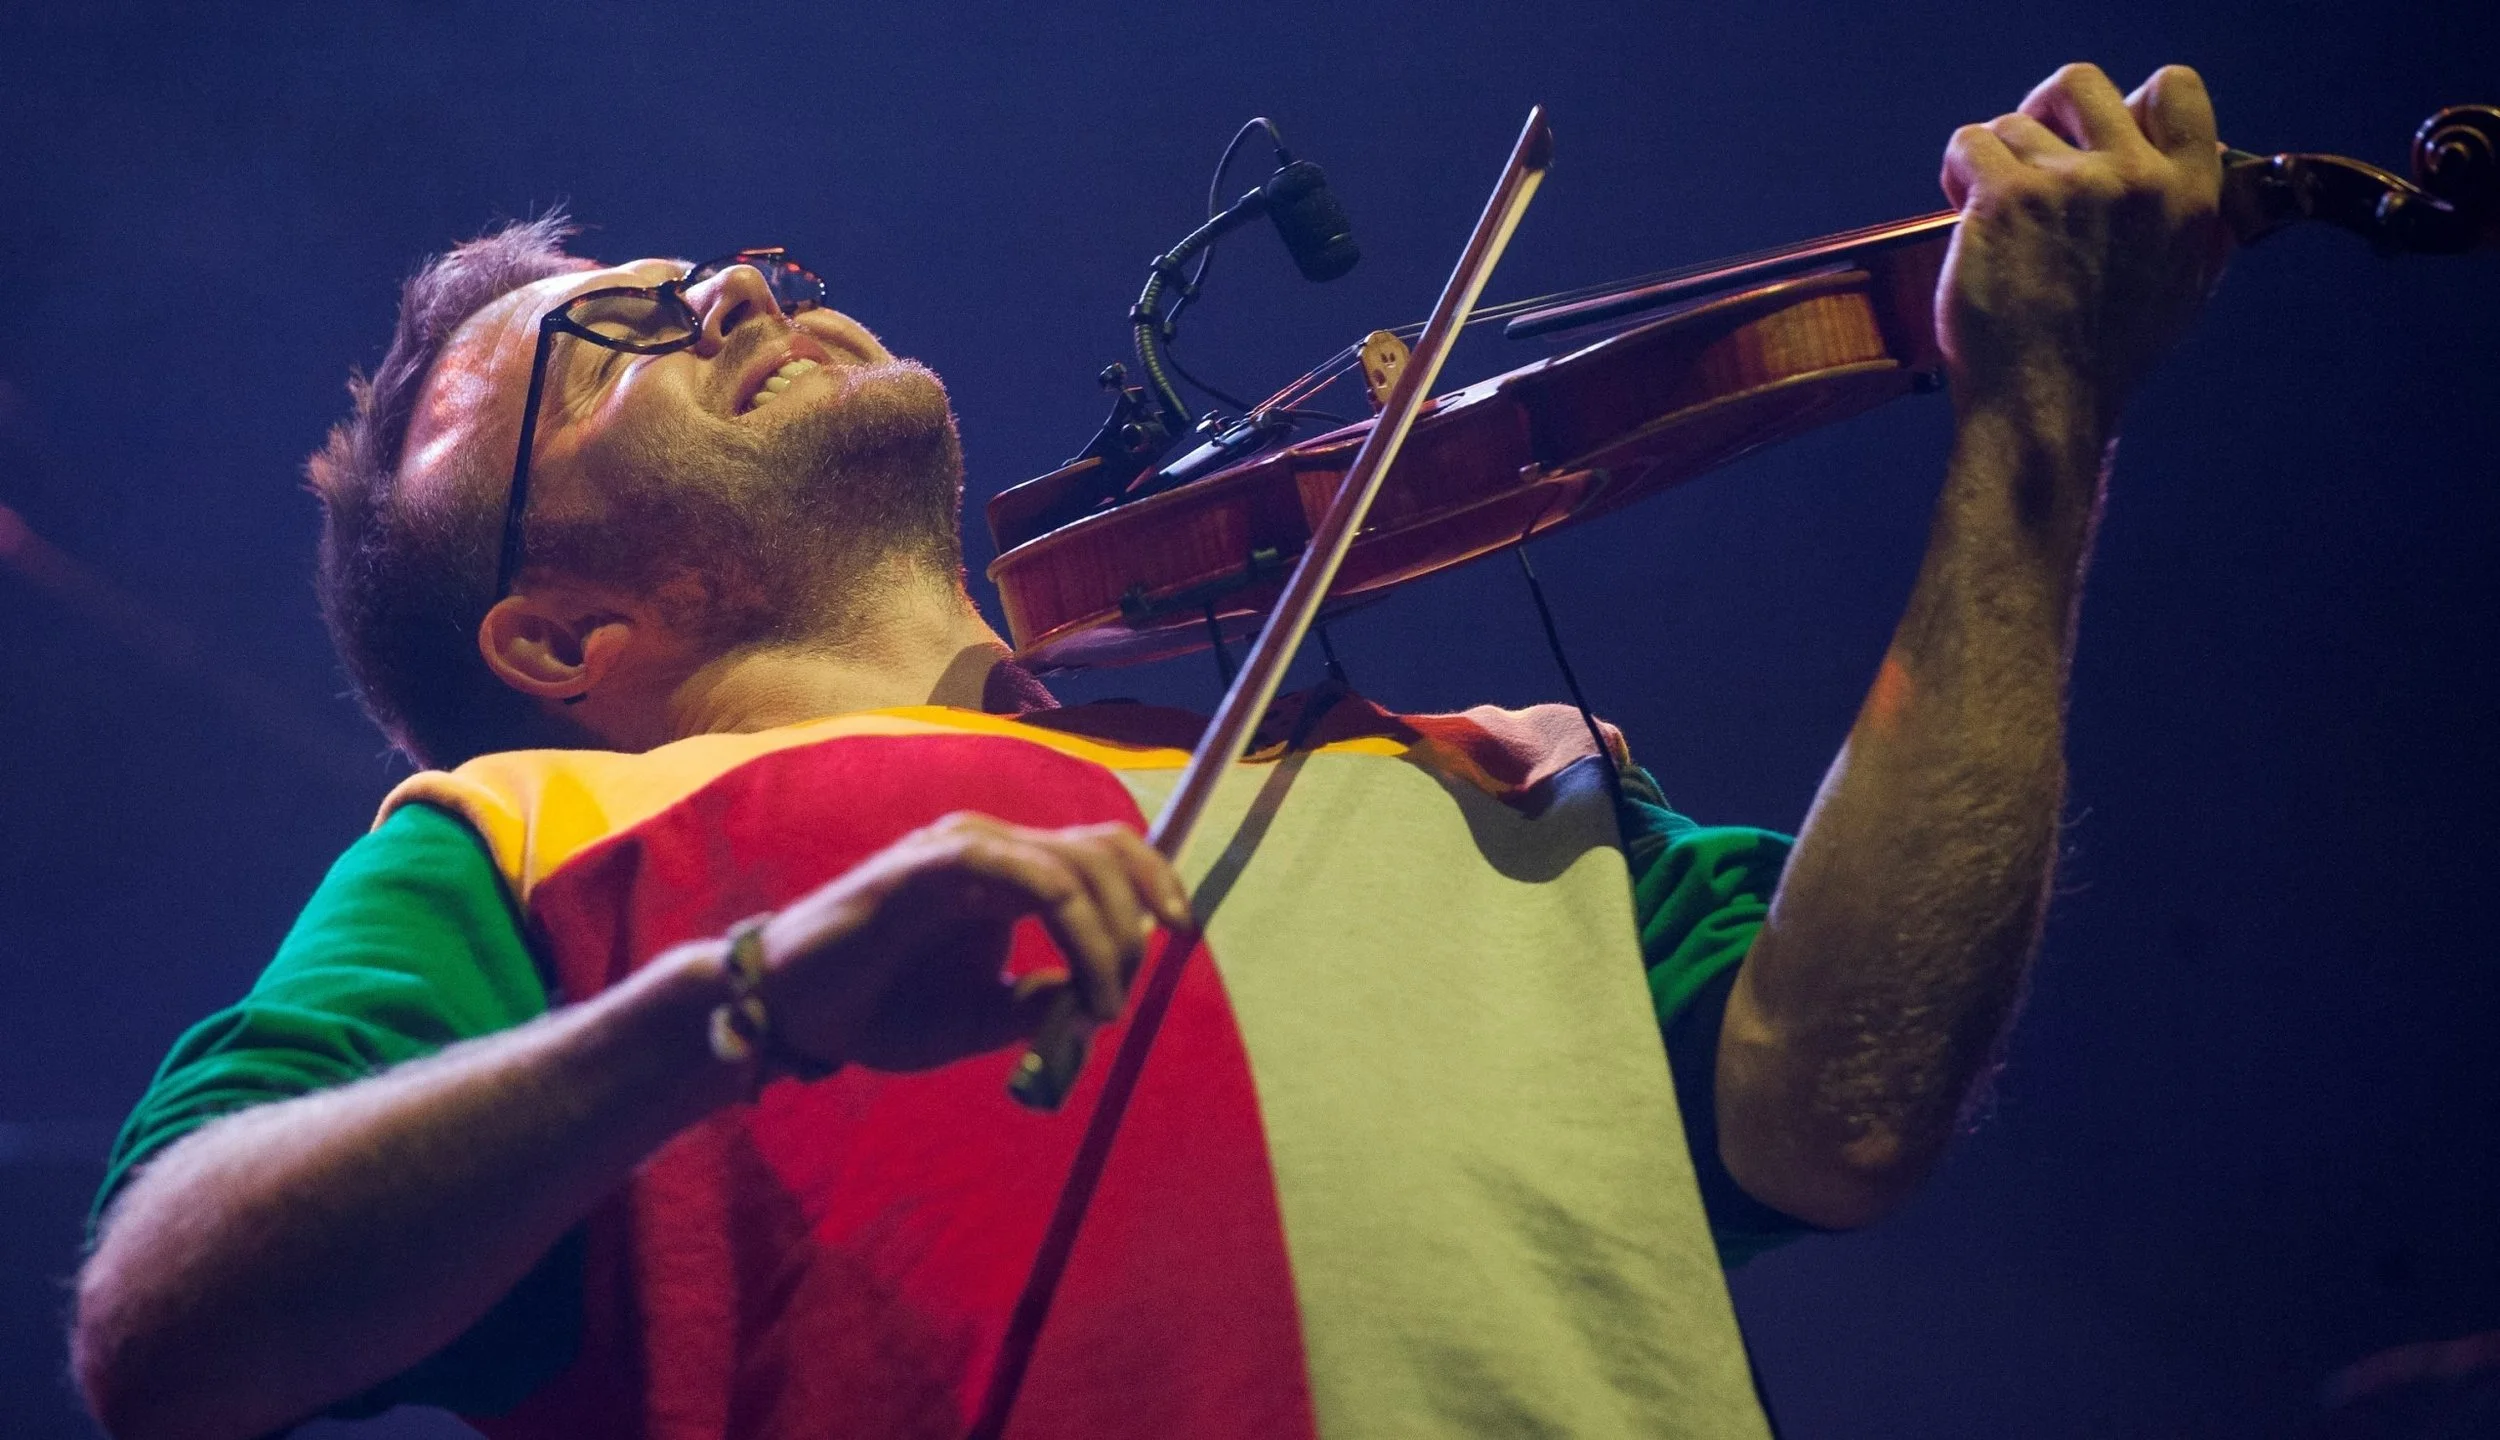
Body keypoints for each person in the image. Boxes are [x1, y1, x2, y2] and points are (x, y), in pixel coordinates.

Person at [69, 61, 2230, 1440]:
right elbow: (162, 1320)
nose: (728, 288)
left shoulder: (1457, 772)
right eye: (612, 339)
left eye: (713, 265)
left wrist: (2035, 433)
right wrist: (735, 1008)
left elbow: (1840, 1115)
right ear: (563, 633)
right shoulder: (532, 837)